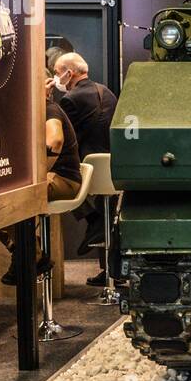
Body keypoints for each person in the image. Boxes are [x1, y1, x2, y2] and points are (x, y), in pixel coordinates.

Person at [0, 89, 82, 285]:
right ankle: (28, 251)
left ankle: (28, 252)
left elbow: (55, 141)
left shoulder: (48, 108)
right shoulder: (30, 111)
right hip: (54, 177)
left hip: (64, 179)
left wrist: (39, 175)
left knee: (3, 201)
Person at [51, 52, 118, 285]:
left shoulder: (70, 100)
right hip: (112, 169)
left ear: (69, 73)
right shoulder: (106, 92)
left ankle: (94, 223)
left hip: (88, 169)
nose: (56, 77)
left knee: (62, 181)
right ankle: (111, 270)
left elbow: (61, 136)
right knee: (106, 212)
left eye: (57, 72)